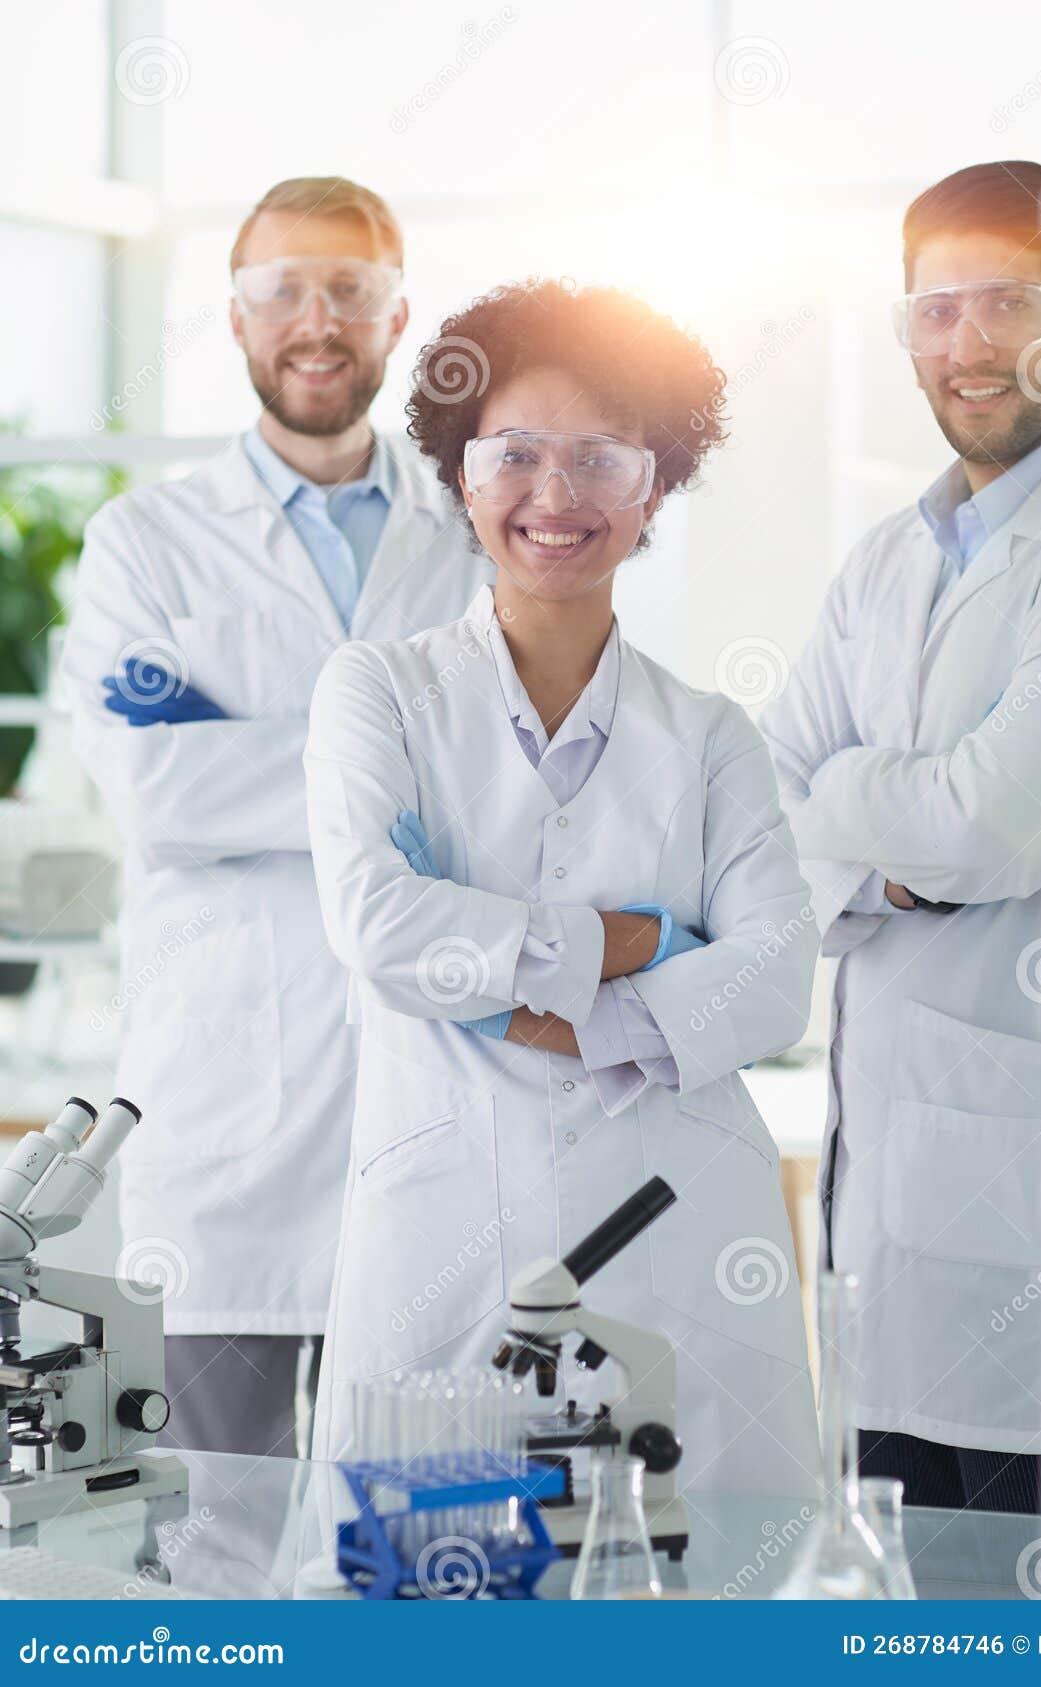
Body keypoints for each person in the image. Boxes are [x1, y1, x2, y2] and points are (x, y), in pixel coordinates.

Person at [302, 279, 823, 1499]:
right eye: (515, 455)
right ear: (460, 474)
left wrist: (522, 993)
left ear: (653, 487)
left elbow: (774, 974)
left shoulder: (709, 733)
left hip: (678, 1225)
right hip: (443, 1218)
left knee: (695, 1595)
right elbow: (377, 923)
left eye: (599, 458)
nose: (555, 495)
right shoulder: (375, 692)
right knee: (426, 1593)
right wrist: (640, 943)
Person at [761, 160, 1041, 1518]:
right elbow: (766, 800)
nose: (967, 346)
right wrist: (887, 831)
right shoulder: (887, 559)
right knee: (898, 1623)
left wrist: (882, 824)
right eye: (934, 310)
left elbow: (986, 828)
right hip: (879, 1231)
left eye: (1006, 300)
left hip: (1039, 1237)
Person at [62, 177, 488, 1458]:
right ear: (237, 319)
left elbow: (517, 788)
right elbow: (156, 791)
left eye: (348, 291)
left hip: (436, 1122)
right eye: (281, 291)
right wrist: (396, 770)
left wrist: (258, 756)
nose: (317, 320)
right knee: (215, 1560)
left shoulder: (474, 536)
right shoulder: (147, 542)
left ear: (397, 313)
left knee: (428, 1558)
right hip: (225, 1139)